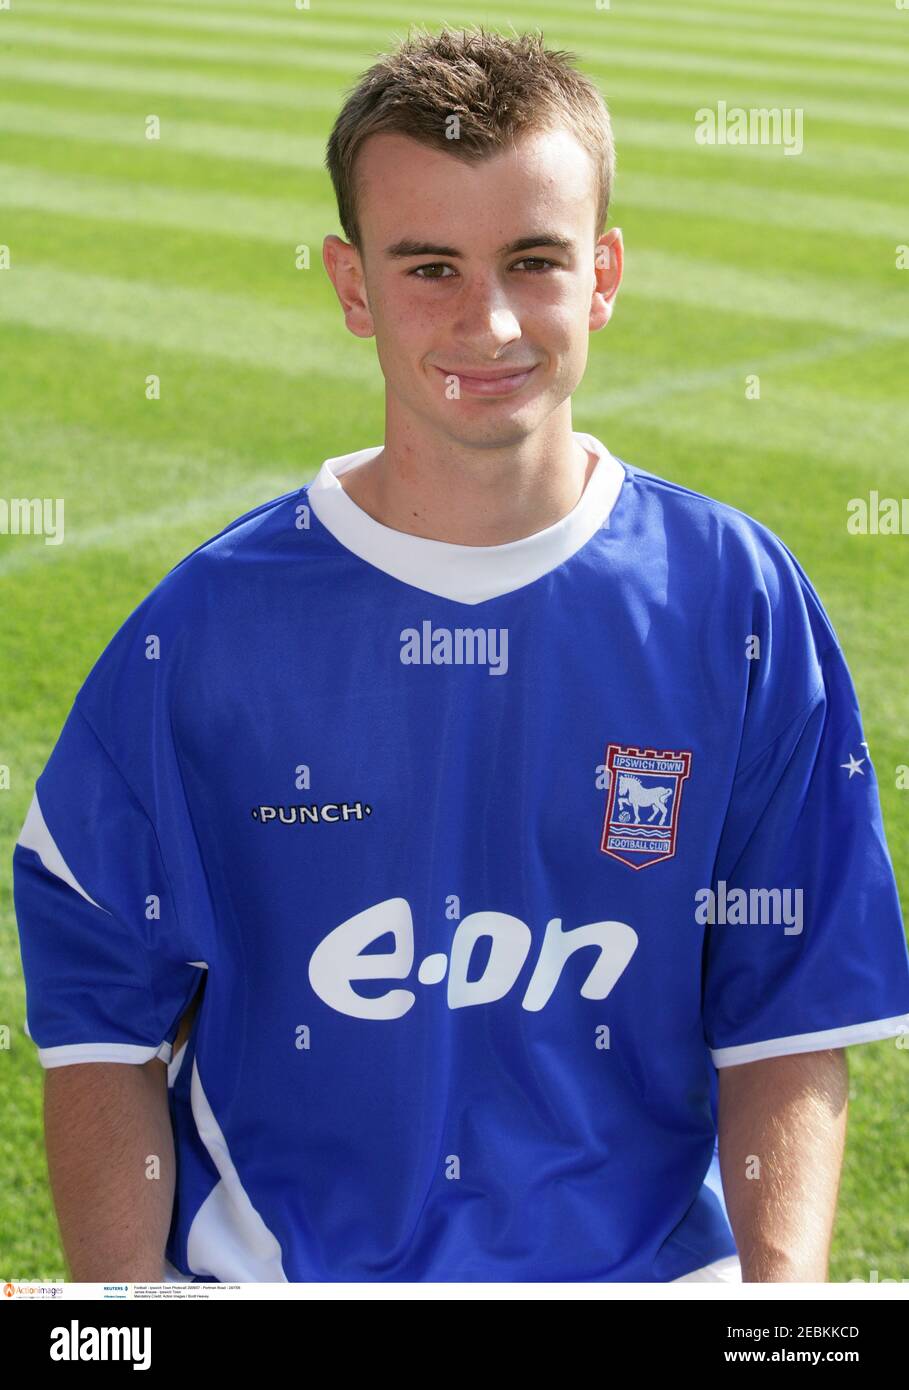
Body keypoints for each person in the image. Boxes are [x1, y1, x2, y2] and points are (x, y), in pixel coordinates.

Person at [13, 25, 909, 1285]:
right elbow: (100, 1010)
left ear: (602, 274)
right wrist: (131, 1308)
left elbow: (788, 1012)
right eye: (427, 265)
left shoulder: (735, 601)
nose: (487, 321)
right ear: (349, 284)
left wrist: (779, 1315)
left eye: (532, 260)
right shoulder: (208, 627)